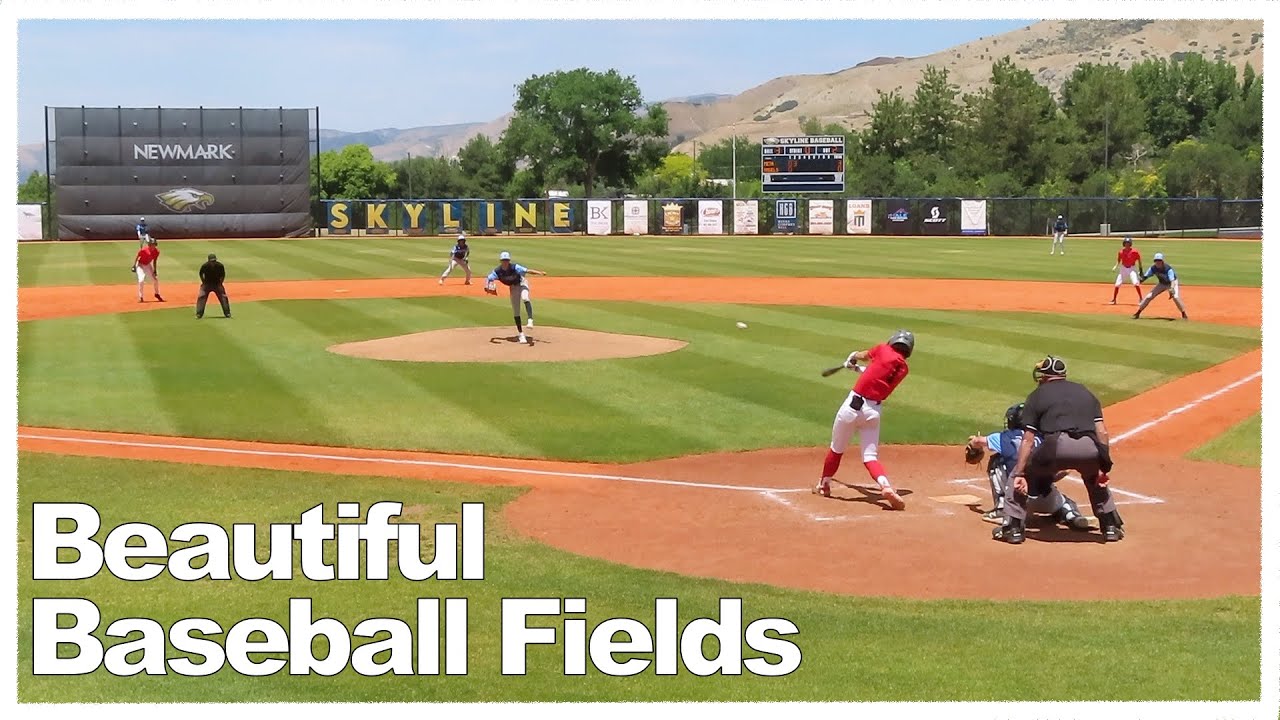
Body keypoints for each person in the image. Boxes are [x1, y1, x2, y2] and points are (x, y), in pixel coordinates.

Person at [994, 355, 1124, 545]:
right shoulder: (1085, 392)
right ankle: (1110, 526)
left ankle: (1013, 529)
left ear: (1045, 377)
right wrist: (1102, 465)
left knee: (1017, 477)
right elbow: (1102, 432)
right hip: (1089, 448)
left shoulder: (1037, 395)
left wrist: (1021, 472)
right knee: (1095, 479)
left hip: (1056, 448)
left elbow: (1028, 440)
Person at [813, 329, 915, 510]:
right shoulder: (902, 368)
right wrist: (857, 368)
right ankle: (886, 486)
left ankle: (824, 484)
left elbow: (863, 355)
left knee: (836, 449)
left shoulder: (883, 349)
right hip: (873, 412)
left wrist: (852, 356)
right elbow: (877, 375)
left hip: (851, 409)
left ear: (893, 341)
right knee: (870, 456)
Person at [964, 403, 1090, 530]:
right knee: (1062, 500)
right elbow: (1061, 471)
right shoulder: (1045, 439)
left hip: (1017, 500)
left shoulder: (1004, 437)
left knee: (996, 460)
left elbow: (976, 442)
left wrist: (973, 443)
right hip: (1046, 499)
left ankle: (1002, 508)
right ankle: (1070, 514)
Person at [484, 251, 547, 344]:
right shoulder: (497, 271)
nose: (505, 262)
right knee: (516, 311)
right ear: (500, 261)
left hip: (522, 283)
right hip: (513, 288)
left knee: (525, 298)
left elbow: (527, 270)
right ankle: (521, 334)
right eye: (503, 260)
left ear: (509, 260)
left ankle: (530, 320)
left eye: (507, 260)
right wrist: (487, 288)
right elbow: (488, 279)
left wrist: (540, 273)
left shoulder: (515, 267)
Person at [1133, 252, 1189, 320]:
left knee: (1175, 297)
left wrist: (1171, 288)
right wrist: (1139, 281)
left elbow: (1172, 280)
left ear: (1162, 261)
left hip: (1171, 283)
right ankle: (1138, 313)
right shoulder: (1153, 268)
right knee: (1149, 296)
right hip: (1162, 284)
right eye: (1156, 261)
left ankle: (1183, 314)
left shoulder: (1168, 269)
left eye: (1159, 260)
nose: (1158, 262)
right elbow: (1145, 277)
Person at [196, 253, 231, 319]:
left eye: (214, 261)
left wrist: (221, 282)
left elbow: (223, 274)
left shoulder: (220, 265)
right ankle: (199, 314)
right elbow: (201, 273)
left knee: (223, 297)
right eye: (212, 261)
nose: (213, 263)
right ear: (208, 261)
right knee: (201, 296)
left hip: (217, 284)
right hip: (207, 284)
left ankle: (227, 313)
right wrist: (203, 281)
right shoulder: (205, 266)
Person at [1110, 236, 1143, 305]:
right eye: (1126, 243)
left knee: (1136, 283)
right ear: (1124, 244)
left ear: (1130, 244)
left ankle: (1141, 299)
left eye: (1128, 243)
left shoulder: (1135, 252)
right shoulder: (1121, 252)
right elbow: (1119, 261)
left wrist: (1140, 269)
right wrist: (1115, 266)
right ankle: (1114, 300)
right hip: (1123, 269)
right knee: (1117, 284)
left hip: (1132, 269)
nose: (1127, 245)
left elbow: (1139, 260)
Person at [131, 237, 164, 303]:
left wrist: (154, 270)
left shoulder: (156, 252)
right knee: (141, 280)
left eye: (154, 244)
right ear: (149, 244)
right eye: (152, 244)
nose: (153, 246)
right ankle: (141, 297)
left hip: (147, 265)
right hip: (140, 265)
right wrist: (134, 266)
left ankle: (157, 294)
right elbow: (137, 257)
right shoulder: (144, 250)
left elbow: (155, 261)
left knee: (155, 280)